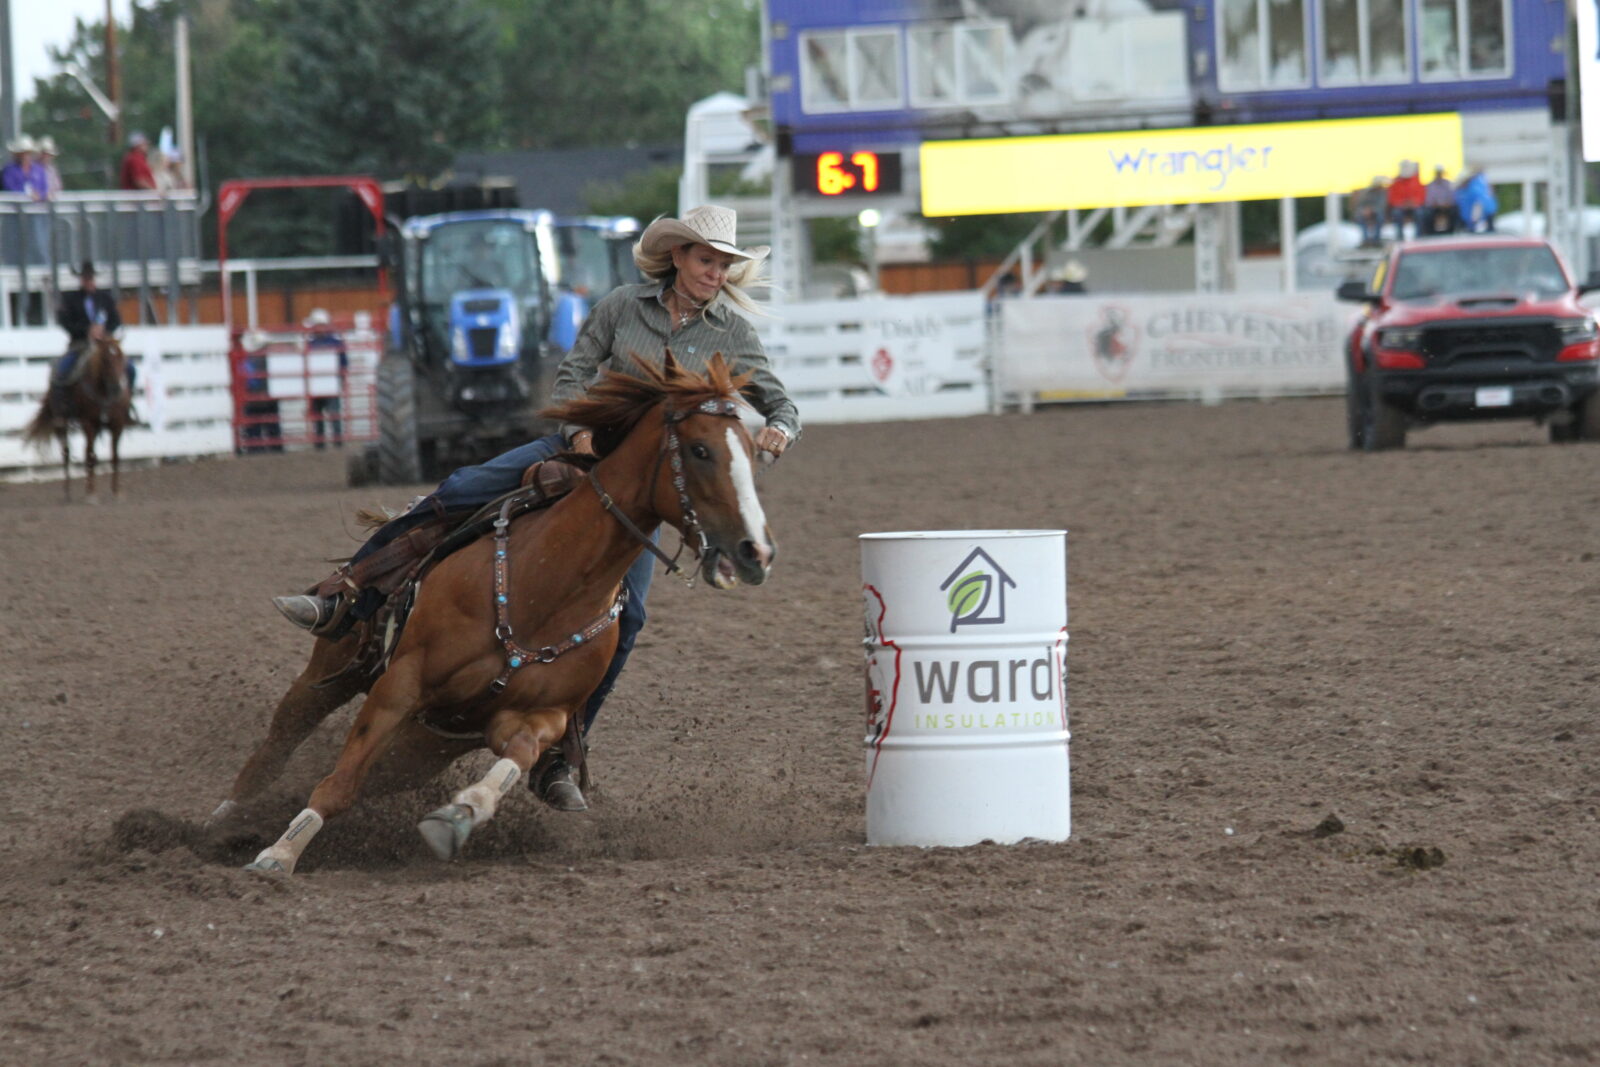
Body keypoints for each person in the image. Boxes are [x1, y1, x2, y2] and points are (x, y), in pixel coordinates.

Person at [271, 204, 800, 810]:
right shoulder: (621, 306)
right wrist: (578, 435)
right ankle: (346, 593)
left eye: (724, 264)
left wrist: (781, 428)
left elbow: (778, 401)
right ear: (678, 257)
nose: (716, 273)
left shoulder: (731, 333)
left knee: (628, 621)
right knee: (459, 491)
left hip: (645, 489)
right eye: (707, 260)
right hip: (581, 447)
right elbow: (574, 375)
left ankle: (560, 753)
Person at [52, 260, 132, 404]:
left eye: (90, 278)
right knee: (62, 370)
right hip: (81, 343)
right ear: (81, 280)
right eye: (85, 278)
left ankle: (126, 404)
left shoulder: (105, 299)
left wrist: (104, 331)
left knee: (129, 369)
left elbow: (116, 320)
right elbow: (65, 322)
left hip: (105, 344)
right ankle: (61, 409)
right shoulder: (71, 299)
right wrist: (86, 331)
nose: (88, 281)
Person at [303, 308, 348, 449]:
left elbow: (343, 362)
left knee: (333, 412)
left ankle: (336, 441)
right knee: (318, 415)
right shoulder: (314, 342)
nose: (318, 328)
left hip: (330, 382)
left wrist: (341, 377)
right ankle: (320, 442)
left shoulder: (331, 342)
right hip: (317, 383)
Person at [237, 330, 282, 454]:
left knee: (255, 427)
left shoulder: (246, 360)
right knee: (272, 426)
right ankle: (275, 448)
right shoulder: (267, 359)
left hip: (253, 397)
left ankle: (255, 449)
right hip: (266, 396)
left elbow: (247, 380)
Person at [1386, 161, 1425, 242]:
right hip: (1401, 207)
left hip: (1414, 206)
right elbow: (1392, 199)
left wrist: (1414, 203)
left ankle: (1419, 236)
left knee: (1420, 213)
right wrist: (1402, 204)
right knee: (1396, 213)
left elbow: (1421, 196)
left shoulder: (1416, 181)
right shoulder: (1396, 182)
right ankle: (1400, 236)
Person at [1455, 167, 1498, 234]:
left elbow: (1477, 203)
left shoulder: (1474, 186)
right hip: (1483, 211)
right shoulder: (1479, 184)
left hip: (1481, 212)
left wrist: (1474, 218)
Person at [1352, 176, 1387, 248]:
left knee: (1380, 218)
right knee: (1360, 218)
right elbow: (1360, 204)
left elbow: (1382, 206)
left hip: (1376, 213)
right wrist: (1364, 210)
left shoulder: (1382, 193)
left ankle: (1376, 240)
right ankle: (1365, 240)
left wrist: (1372, 210)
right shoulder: (1365, 193)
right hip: (1364, 212)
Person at [1422, 166, 1456, 237]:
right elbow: (1428, 201)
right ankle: (1430, 232)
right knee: (1427, 213)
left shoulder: (1447, 184)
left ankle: (1452, 231)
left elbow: (1452, 198)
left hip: (1446, 206)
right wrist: (1438, 205)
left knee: (1454, 211)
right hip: (1434, 207)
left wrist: (1446, 204)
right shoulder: (1430, 185)